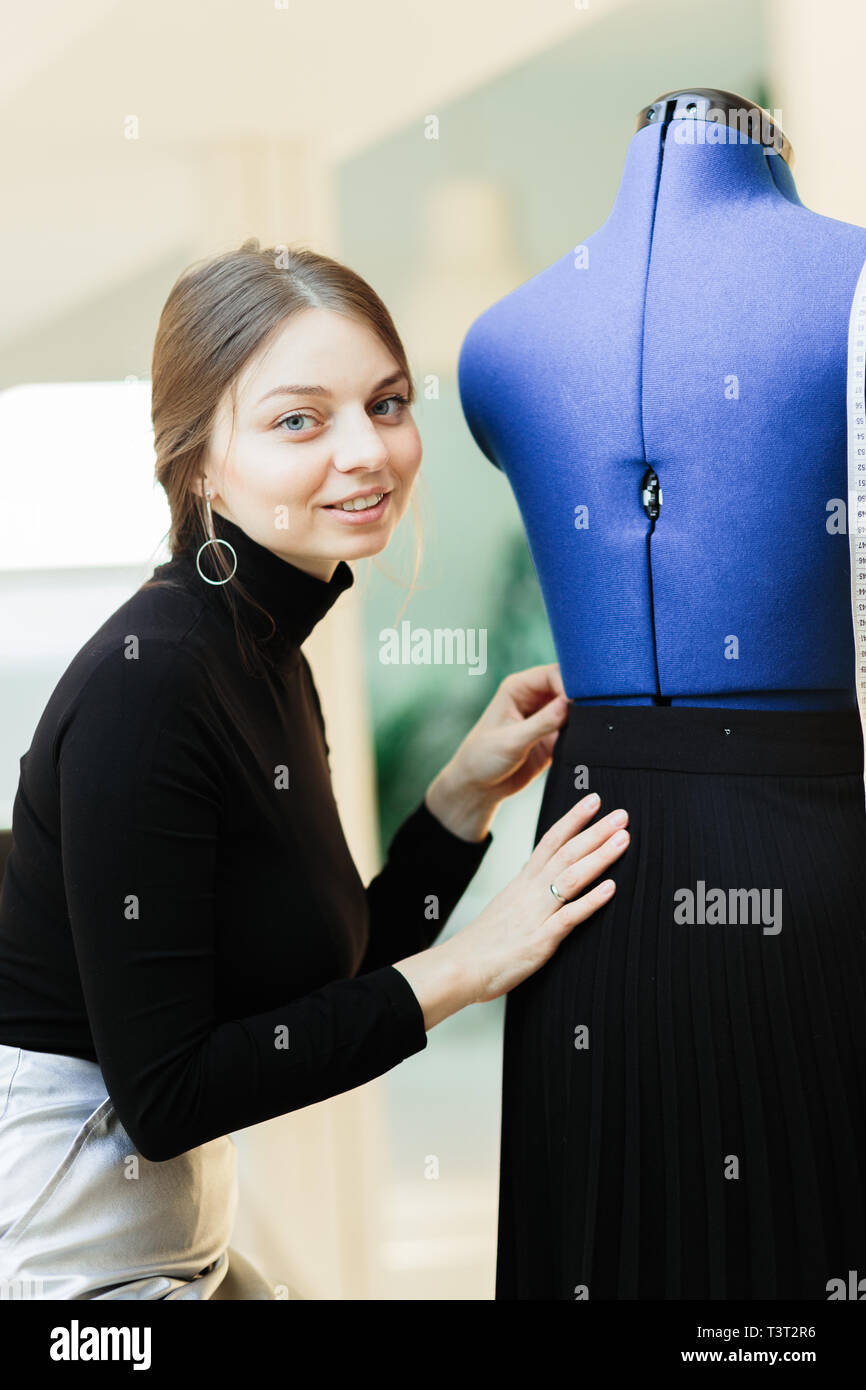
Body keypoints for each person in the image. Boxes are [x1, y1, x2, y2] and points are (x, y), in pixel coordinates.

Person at [0, 238, 630, 1299]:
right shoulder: (151, 683)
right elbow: (167, 1091)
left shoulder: (256, 653)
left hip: (169, 1248)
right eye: (300, 419)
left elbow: (326, 984)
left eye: (386, 404)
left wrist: (459, 798)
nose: (367, 451)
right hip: (67, 1277)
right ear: (201, 459)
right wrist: (477, 959)